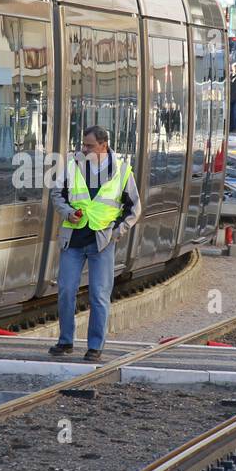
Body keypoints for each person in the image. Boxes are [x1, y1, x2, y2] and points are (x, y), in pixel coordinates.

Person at [50, 126, 142, 362]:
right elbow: (57, 194)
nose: (84, 149)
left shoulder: (121, 170)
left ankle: (95, 346)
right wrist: (68, 212)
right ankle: (66, 341)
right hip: (73, 239)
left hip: (102, 242)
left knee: (99, 295)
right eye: (83, 144)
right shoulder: (72, 165)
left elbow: (134, 208)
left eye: (89, 145)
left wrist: (116, 232)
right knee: (66, 290)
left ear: (103, 145)